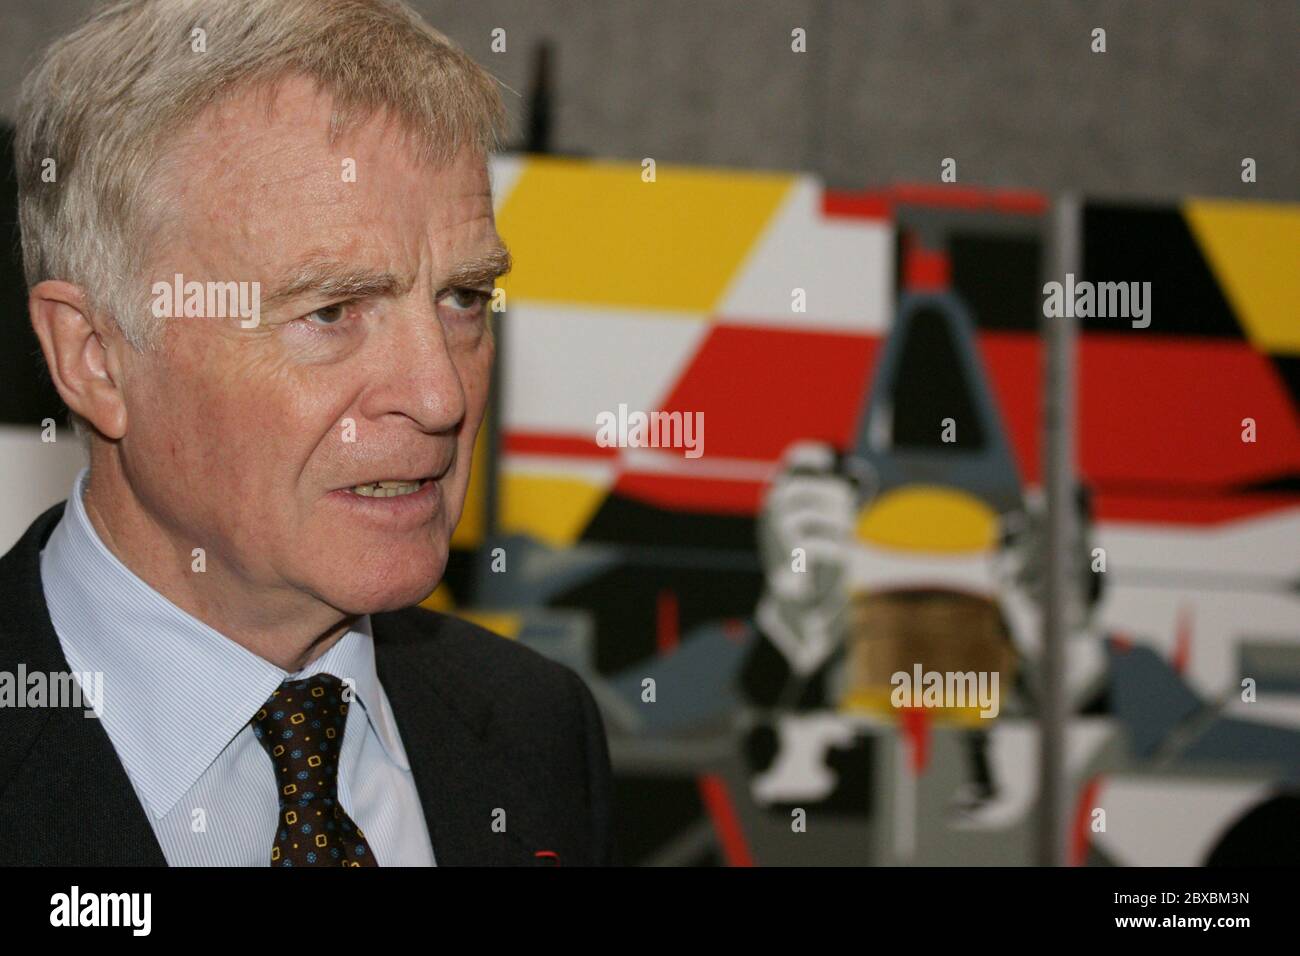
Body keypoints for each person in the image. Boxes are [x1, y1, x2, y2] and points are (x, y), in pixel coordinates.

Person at [0, 0, 614, 867]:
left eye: (463, 298)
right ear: (95, 356)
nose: (440, 395)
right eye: (331, 311)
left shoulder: (535, 729)